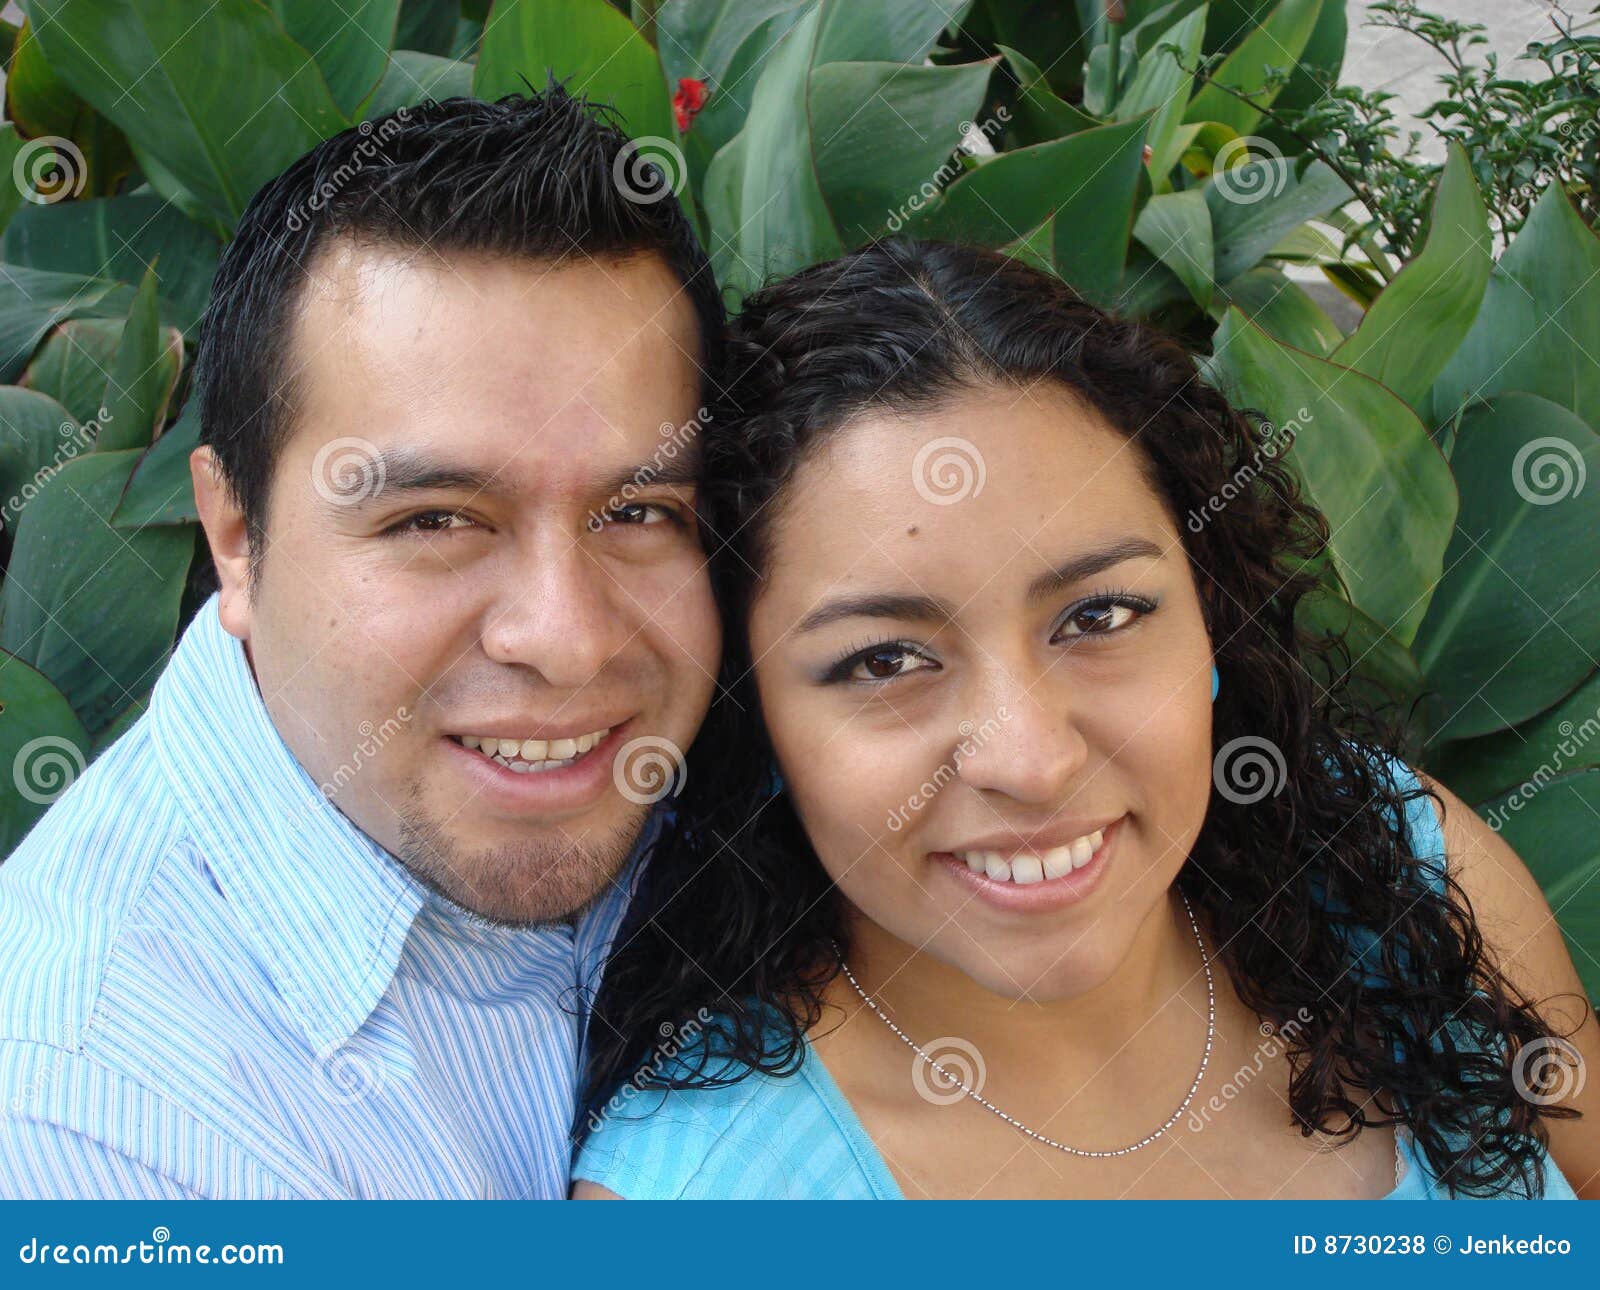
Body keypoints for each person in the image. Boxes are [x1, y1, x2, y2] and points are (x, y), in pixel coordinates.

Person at [573, 240, 1600, 1200]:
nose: (1030, 760)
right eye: (884, 659)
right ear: (757, 722)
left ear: (1210, 624)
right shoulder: (703, 1197)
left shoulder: (1393, 863)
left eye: (1097, 616)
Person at [0, 89, 722, 1198]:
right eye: (434, 520)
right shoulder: (86, 1125)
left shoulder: (805, 752)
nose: (568, 641)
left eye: (636, 513)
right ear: (236, 536)